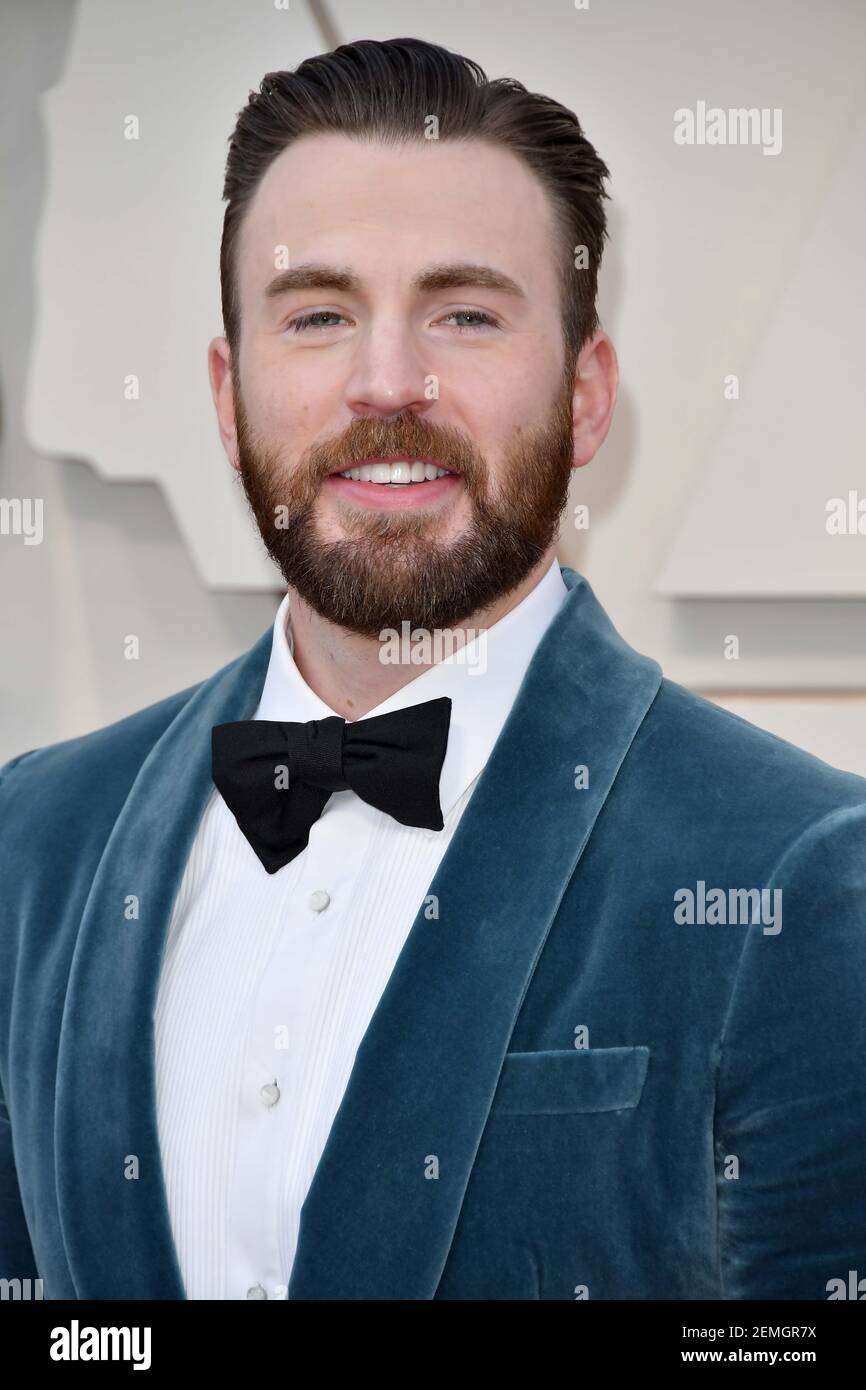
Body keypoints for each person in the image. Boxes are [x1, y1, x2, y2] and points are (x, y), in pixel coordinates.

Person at [1, 36, 864, 1302]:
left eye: (462, 312)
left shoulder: (798, 870)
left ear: (582, 396)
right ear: (227, 393)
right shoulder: (34, 836)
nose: (386, 382)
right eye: (317, 315)